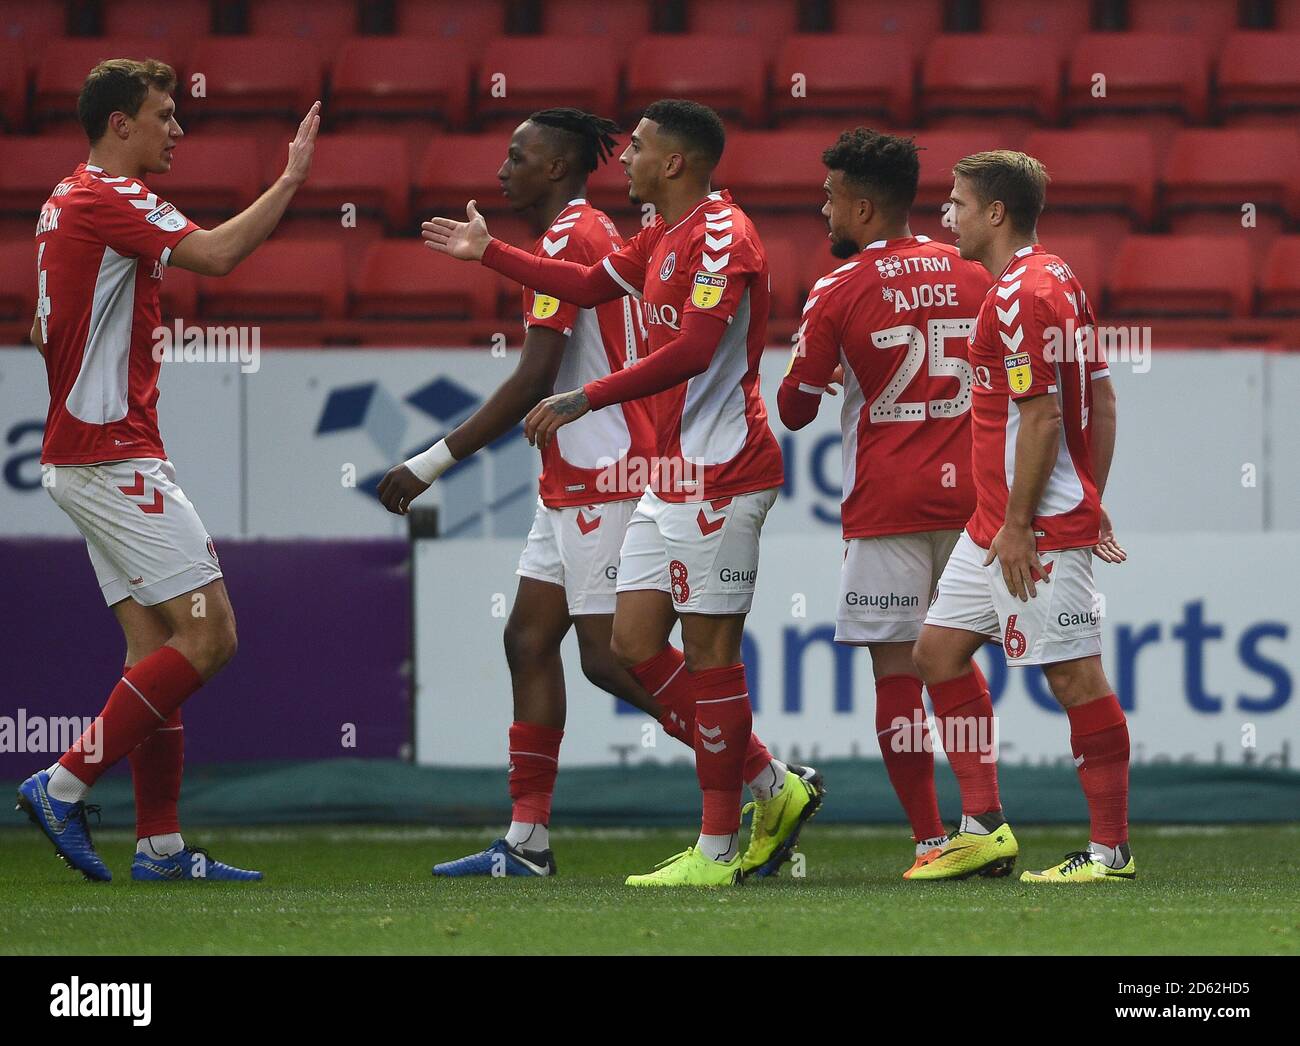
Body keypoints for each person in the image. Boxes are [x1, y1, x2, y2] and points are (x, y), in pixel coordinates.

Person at [422, 100, 824, 886]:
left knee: (709, 659)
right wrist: (489, 254)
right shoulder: (659, 235)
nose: (625, 156)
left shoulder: (720, 235)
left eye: (637, 146)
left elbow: (694, 349)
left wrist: (589, 396)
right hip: (666, 474)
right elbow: (582, 282)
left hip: (723, 470)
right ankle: (770, 788)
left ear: (673, 162)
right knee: (630, 648)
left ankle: (719, 845)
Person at [18, 58, 320, 882]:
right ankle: (62, 782)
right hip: (112, 453)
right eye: (163, 115)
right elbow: (218, 257)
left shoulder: (60, 201)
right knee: (211, 634)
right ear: (121, 124)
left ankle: (158, 848)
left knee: (153, 648)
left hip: (85, 450)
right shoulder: (112, 196)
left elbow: (39, 332)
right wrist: (292, 179)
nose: (177, 130)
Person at [777, 128, 994, 879]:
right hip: (973, 501)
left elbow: (795, 408)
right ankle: (983, 821)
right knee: (956, 663)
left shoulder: (835, 290)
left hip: (887, 501)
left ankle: (931, 840)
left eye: (831, 196)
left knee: (898, 674)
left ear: (863, 205)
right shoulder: (974, 271)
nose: (823, 208)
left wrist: (829, 368)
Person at [912, 150, 1131, 883]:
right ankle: (984, 827)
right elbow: (1098, 398)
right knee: (938, 652)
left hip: (1028, 528)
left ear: (995, 213)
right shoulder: (1059, 276)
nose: (949, 216)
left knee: (1074, 679)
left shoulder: (1019, 298)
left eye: (959, 203)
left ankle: (1110, 850)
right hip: (998, 522)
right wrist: (1088, 498)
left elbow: (1040, 419)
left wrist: (1030, 522)